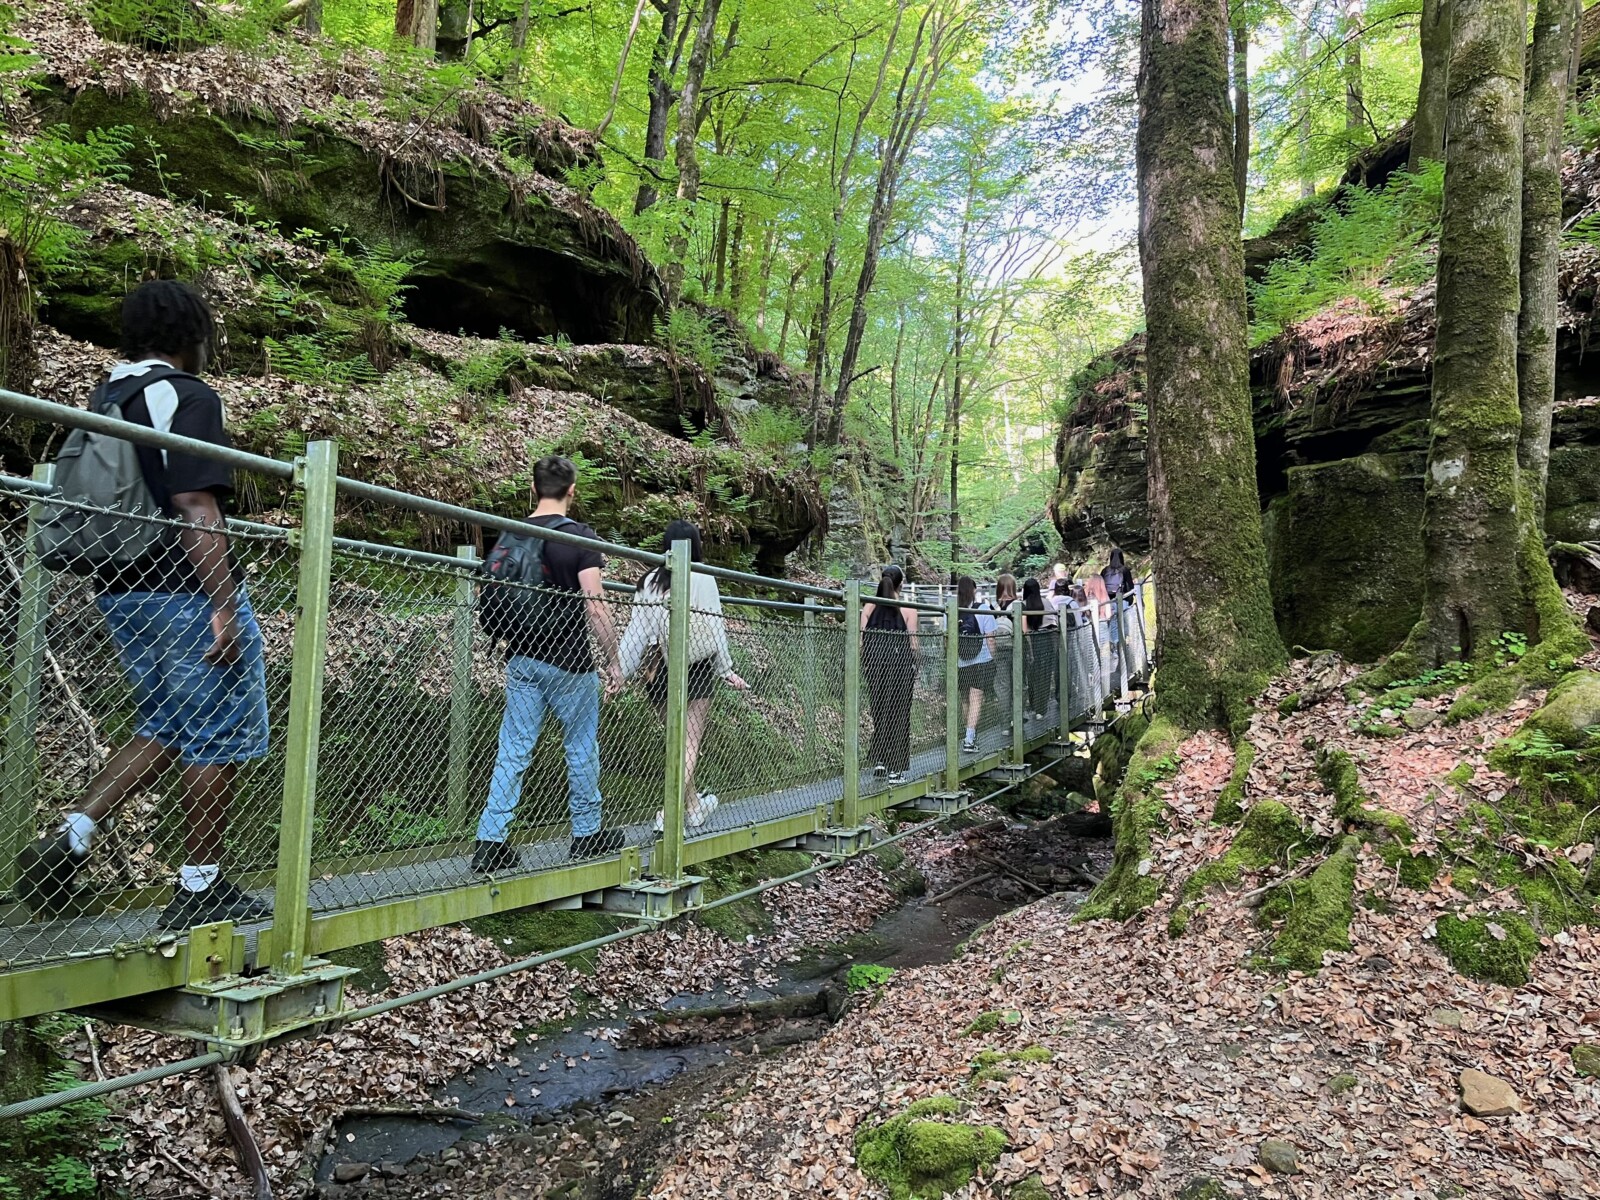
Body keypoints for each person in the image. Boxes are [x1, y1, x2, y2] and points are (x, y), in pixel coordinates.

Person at [15, 280, 272, 930]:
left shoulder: (109, 395)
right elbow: (195, 504)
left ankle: (71, 834)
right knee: (216, 734)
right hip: (185, 590)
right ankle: (200, 888)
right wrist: (223, 602)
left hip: (119, 591)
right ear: (192, 335)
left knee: (162, 724)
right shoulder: (186, 396)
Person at [473, 455, 623, 872]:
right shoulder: (580, 538)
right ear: (572, 490)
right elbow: (595, 606)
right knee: (579, 746)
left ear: (534, 488)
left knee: (513, 749)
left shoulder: (511, 532)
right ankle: (586, 834)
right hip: (570, 662)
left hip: (520, 656)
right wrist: (614, 661)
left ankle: (491, 841)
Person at [617, 520, 747, 831]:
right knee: (689, 742)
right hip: (698, 666)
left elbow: (637, 634)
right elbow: (715, 628)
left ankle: (693, 807)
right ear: (696, 546)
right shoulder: (702, 577)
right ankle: (668, 812)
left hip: (656, 669)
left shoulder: (648, 582)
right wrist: (726, 669)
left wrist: (620, 670)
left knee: (677, 742)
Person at [861, 566, 917, 784]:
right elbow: (913, 645)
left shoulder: (869, 607)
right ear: (900, 584)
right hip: (900, 667)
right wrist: (916, 665)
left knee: (880, 710)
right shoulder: (909, 609)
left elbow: (861, 640)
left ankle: (880, 760)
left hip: (875, 667)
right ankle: (896, 768)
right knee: (900, 714)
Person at [954, 575, 996, 754]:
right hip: (982, 660)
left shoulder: (951, 611)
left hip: (961, 661)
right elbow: (991, 638)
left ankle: (968, 735)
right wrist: (994, 658)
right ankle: (969, 739)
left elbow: (947, 639)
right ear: (974, 591)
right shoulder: (983, 608)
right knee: (976, 699)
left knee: (965, 699)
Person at [1022, 577, 1056, 719]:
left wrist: (1029, 647)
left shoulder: (1023, 605)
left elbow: (1025, 630)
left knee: (1032, 674)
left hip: (1032, 640)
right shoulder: (1047, 603)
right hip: (1046, 639)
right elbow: (1055, 622)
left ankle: (1033, 704)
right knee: (1045, 675)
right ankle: (1041, 709)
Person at [990, 573, 1017, 728]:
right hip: (1015, 649)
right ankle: (1017, 718)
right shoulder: (1018, 605)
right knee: (1018, 684)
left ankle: (1005, 724)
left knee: (1002, 686)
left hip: (999, 649)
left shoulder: (993, 607)